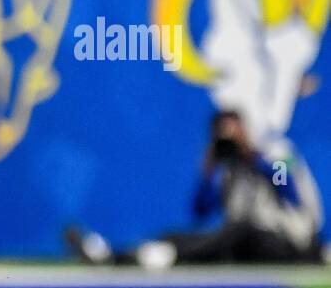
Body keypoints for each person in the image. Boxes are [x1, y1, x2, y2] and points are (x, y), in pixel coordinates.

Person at [68, 110, 323, 267]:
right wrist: (209, 172)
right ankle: (118, 256)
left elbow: (288, 191)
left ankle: (163, 257)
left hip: (290, 241)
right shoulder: (227, 169)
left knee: (239, 229)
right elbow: (200, 212)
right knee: (177, 236)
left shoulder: (276, 152)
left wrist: (252, 157)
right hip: (244, 242)